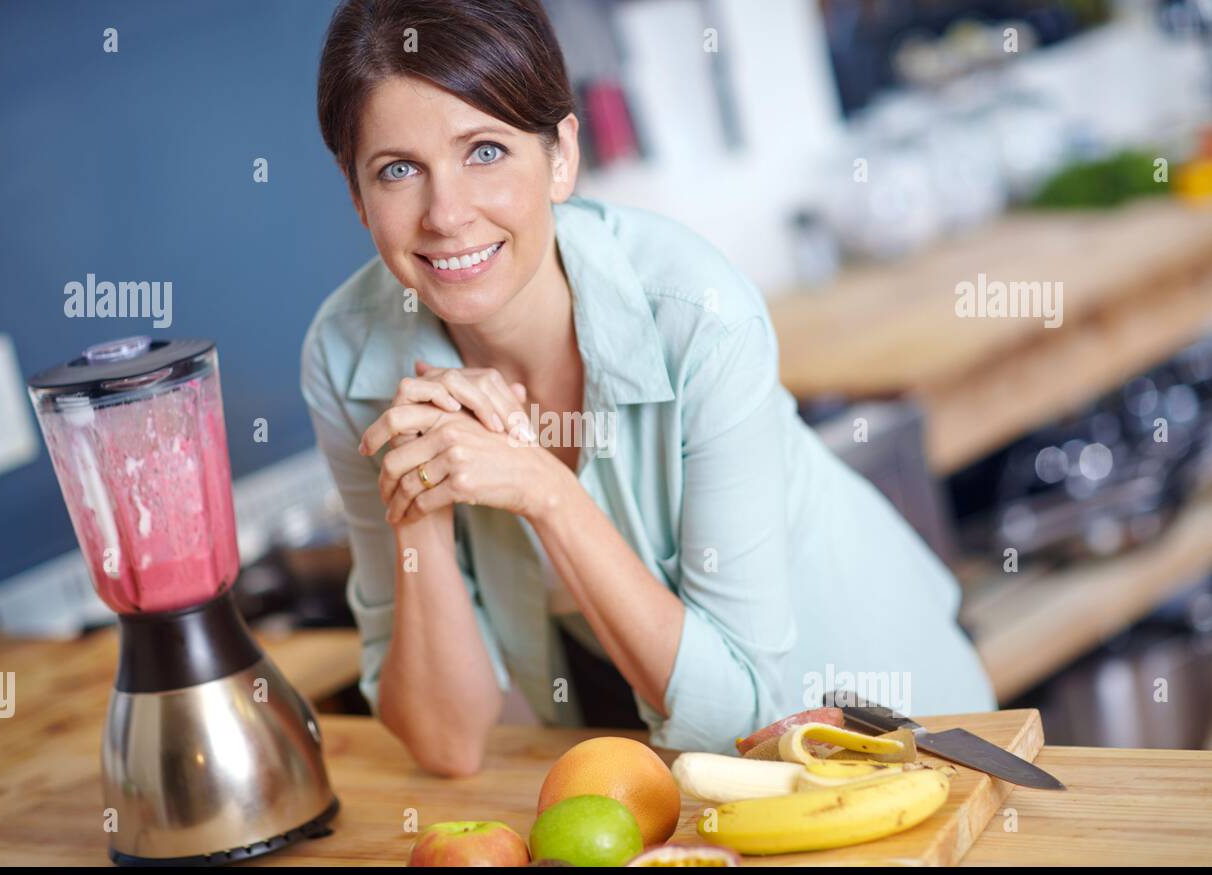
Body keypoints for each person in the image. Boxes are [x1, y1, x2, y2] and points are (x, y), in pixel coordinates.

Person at [301, 0, 996, 777]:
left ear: (561, 154)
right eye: (399, 170)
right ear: (356, 194)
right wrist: (419, 512)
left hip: (895, 731)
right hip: (673, 776)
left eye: (486, 151)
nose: (447, 213)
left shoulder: (700, 319)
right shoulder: (349, 356)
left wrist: (547, 491)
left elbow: (741, 713)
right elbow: (445, 745)